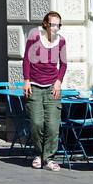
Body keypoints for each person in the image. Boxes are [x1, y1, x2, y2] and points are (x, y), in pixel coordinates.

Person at [24, 11, 68, 171]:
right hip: (35, 85)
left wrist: (58, 82)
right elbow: (27, 59)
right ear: (45, 24)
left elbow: (63, 64)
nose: (55, 28)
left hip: (52, 87)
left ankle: (49, 158)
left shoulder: (61, 41)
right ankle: (38, 154)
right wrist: (26, 80)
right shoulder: (34, 37)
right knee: (36, 123)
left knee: (52, 125)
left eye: (58, 25)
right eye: (53, 24)